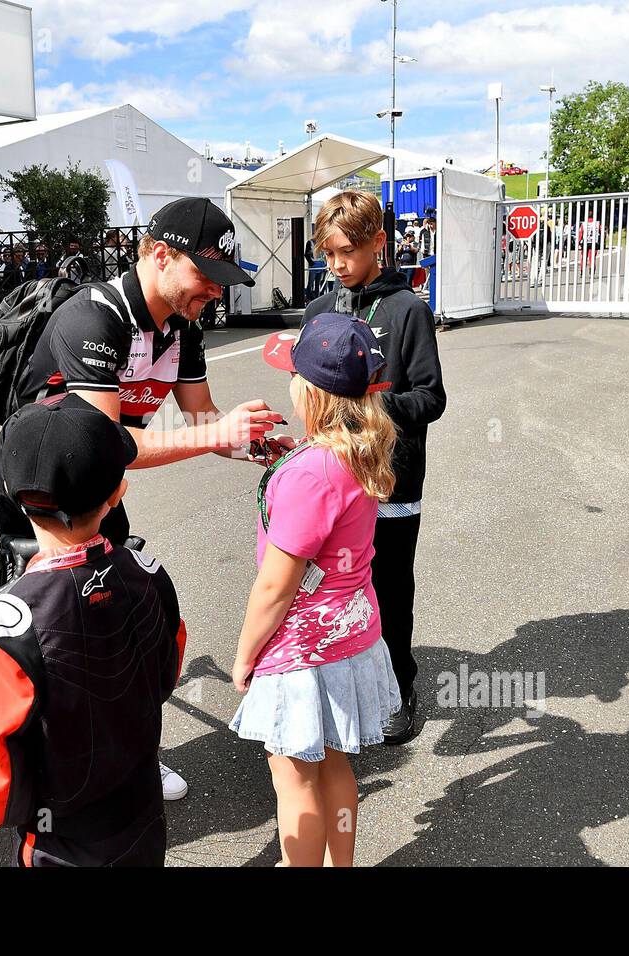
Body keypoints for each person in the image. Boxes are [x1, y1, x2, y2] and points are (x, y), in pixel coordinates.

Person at [0, 196, 283, 801]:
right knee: (58, 632)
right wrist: (213, 436)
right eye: (207, 278)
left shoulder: (184, 326)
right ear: (158, 255)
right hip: (40, 487)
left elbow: (201, 414)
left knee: (121, 623)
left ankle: (132, 753)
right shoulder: (94, 317)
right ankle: (39, 762)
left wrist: (255, 445)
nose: (217, 295)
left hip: (99, 490)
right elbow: (104, 442)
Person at [0, 396, 185, 866]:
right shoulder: (149, 574)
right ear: (117, 492)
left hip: (59, 836)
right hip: (141, 810)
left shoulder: (4, 627)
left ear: (17, 499)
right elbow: (167, 672)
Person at [230, 314, 403, 866]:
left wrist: (243, 656)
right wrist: (293, 457)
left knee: (292, 775)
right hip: (349, 635)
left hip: (301, 648)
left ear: (312, 392)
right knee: (333, 762)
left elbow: (276, 587)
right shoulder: (355, 451)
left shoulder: (309, 473)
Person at [303, 190, 446, 745]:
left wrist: (372, 408)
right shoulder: (317, 312)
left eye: (348, 252)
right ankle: (339, 687)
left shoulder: (409, 310)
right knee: (329, 588)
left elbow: (431, 399)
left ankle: (399, 687)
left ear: (379, 243)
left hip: (392, 482)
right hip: (330, 483)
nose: (337, 265)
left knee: (388, 588)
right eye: (329, 252)